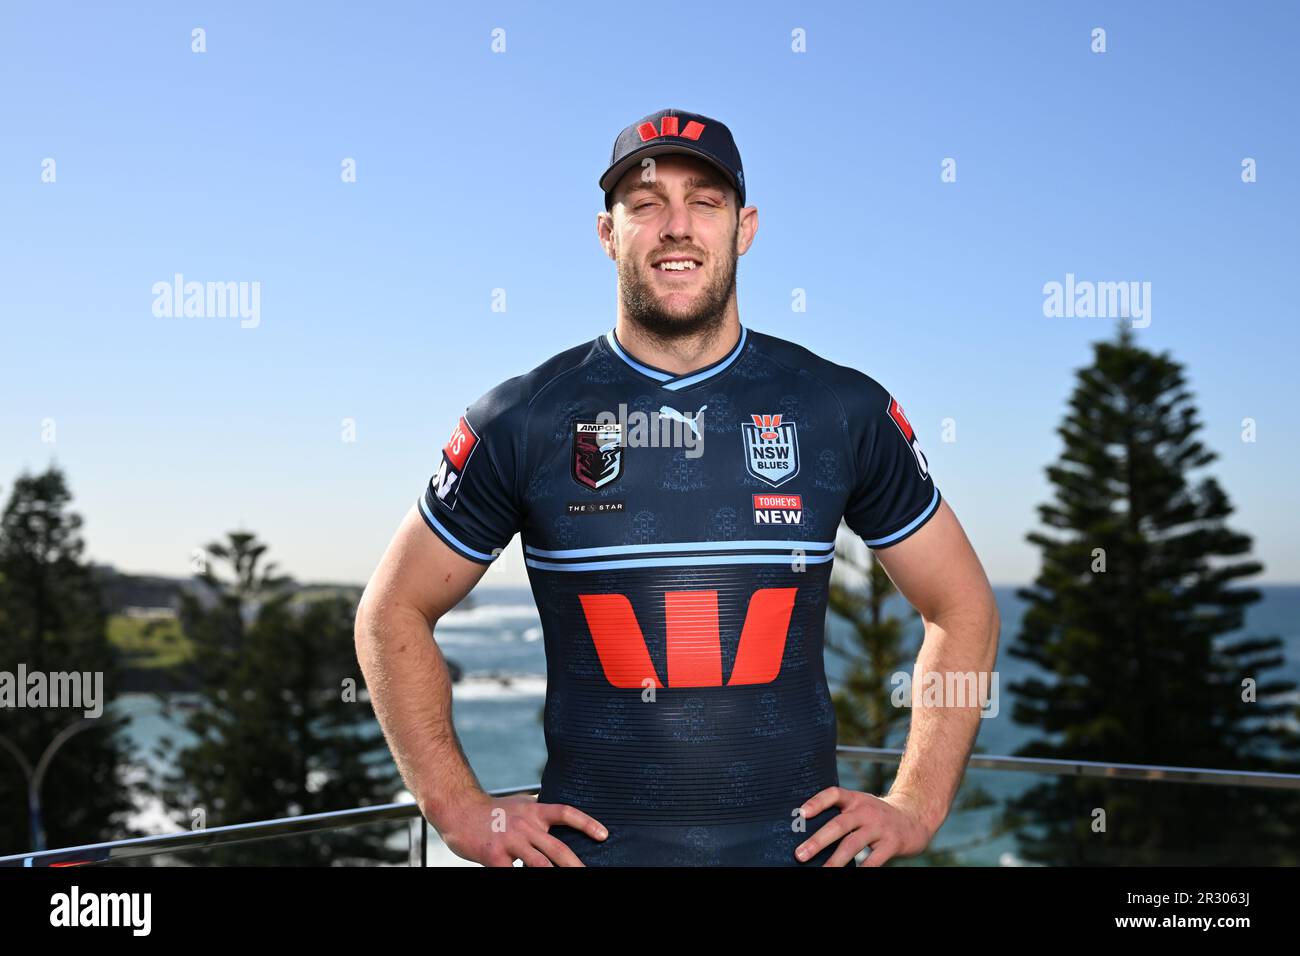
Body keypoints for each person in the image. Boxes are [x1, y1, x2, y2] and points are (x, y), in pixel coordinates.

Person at [354, 108, 1000, 867]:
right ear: (608, 233)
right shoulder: (523, 418)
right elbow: (390, 611)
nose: (676, 227)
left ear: (744, 227)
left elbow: (962, 607)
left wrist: (916, 804)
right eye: (646, 203)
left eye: (705, 202)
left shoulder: (838, 408)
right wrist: (455, 806)